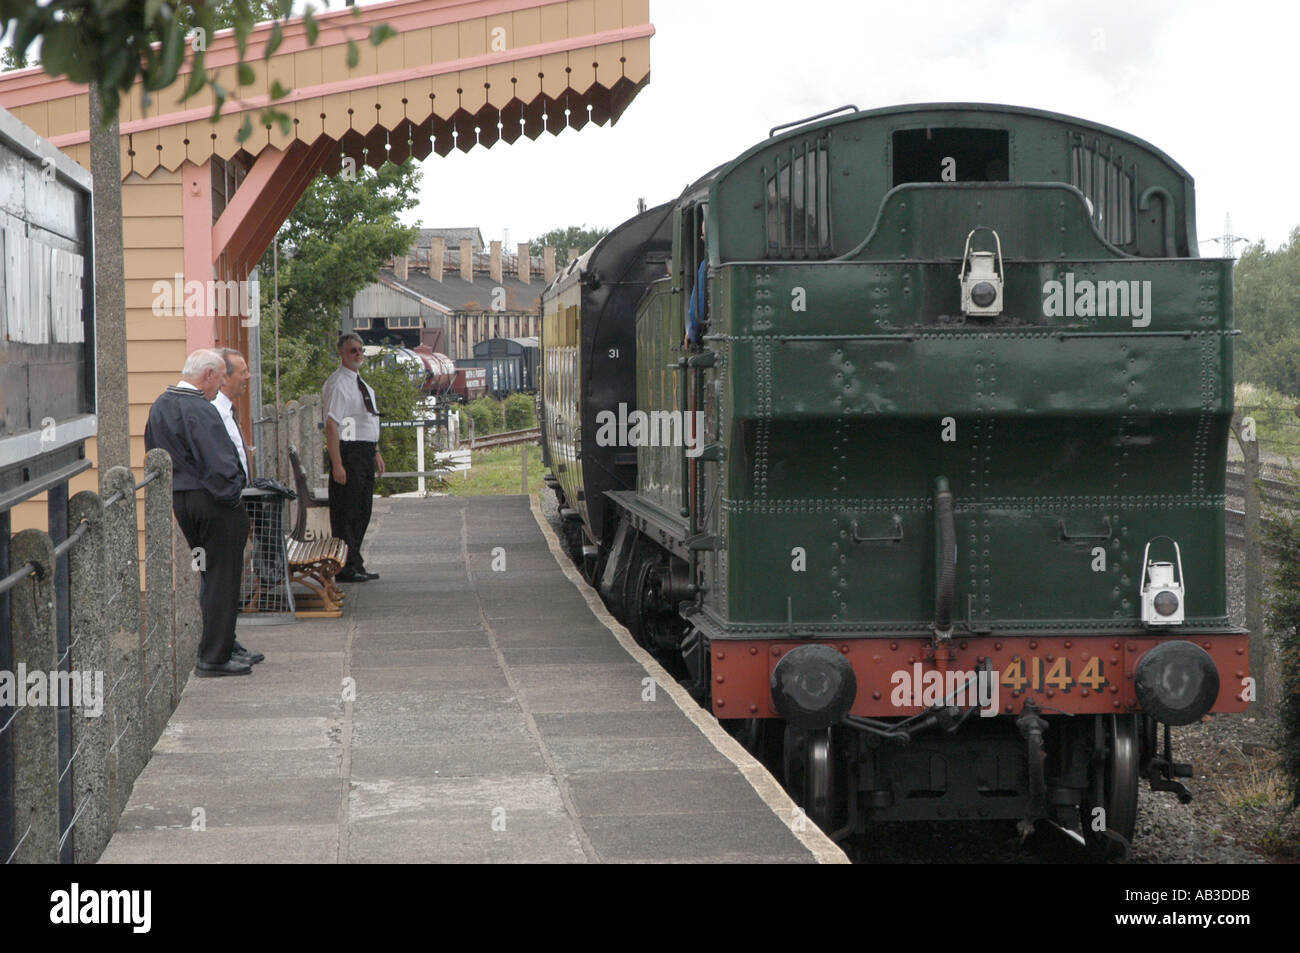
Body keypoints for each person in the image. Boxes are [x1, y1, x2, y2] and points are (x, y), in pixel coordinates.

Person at [144, 348, 251, 677]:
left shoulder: (160, 405)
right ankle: (214, 655)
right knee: (223, 577)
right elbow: (220, 461)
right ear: (207, 375)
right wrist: (234, 493)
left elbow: (153, 449)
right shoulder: (200, 409)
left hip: (182, 499)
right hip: (213, 502)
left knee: (209, 573)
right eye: (219, 379)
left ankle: (221, 644)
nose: (220, 386)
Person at [213, 347, 264, 665]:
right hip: (225, 504)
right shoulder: (214, 412)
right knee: (222, 580)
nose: (248, 377)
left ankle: (230, 642)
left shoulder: (228, 409)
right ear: (223, 378)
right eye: (242, 371)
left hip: (238, 502)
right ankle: (221, 648)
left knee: (232, 578)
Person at [322, 333, 385, 582]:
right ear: (341, 353)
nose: (358, 354)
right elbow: (331, 425)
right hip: (349, 452)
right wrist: (338, 464)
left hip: (365, 452)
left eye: (360, 350)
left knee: (362, 510)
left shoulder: (360, 382)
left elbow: (366, 419)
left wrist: (376, 451)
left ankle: (355, 561)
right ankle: (345, 567)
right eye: (352, 351)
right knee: (347, 512)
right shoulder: (339, 384)